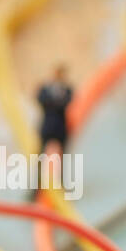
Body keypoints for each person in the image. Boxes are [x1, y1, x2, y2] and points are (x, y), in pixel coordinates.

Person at [34, 65, 73, 201]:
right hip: (47, 128)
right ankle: (35, 189)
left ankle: (62, 186)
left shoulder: (67, 90)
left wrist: (55, 102)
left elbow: (67, 103)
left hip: (61, 129)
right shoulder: (45, 89)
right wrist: (57, 102)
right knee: (40, 157)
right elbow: (42, 101)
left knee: (63, 159)